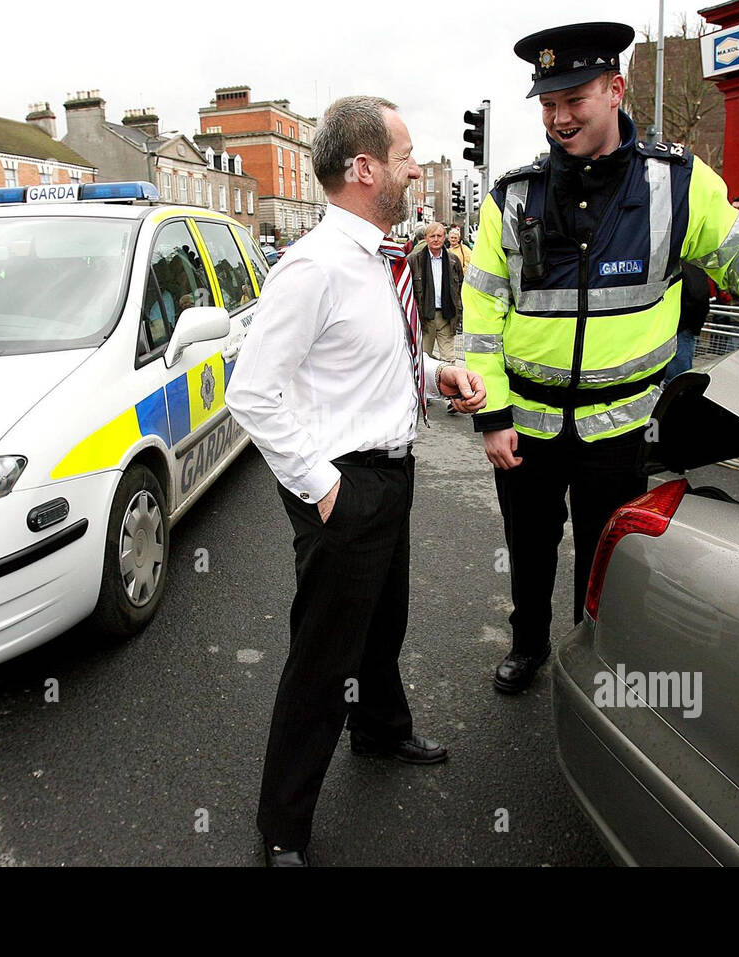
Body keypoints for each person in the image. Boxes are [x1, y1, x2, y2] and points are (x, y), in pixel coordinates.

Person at [461, 22, 739, 694]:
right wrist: (492, 413)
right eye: (546, 102)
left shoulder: (675, 182)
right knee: (528, 548)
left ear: (616, 88)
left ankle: (591, 655)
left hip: (620, 426)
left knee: (608, 557)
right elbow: (482, 313)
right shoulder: (513, 195)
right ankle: (528, 642)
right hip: (527, 423)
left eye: (574, 98)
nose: (558, 118)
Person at [225, 95, 486, 866]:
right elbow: (252, 391)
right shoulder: (313, 267)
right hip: (343, 484)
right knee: (321, 660)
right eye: (405, 154)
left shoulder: (378, 257)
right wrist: (323, 487)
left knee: (384, 621)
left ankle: (379, 730)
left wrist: (440, 375)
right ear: (365, 167)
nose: (414, 166)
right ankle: (282, 831)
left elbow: (375, 367)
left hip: (391, 470)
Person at [407, 221, 462, 368]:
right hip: (424, 317)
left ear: (444, 237)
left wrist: (459, 314)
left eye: (439, 235)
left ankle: (449, 389)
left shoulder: (453, 260)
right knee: (424, 359)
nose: (436, 239)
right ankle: (425, 390)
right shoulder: (414, 260)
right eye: (432, 236)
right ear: (426, 238)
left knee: (449, 359)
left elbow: (460, 289)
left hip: (447, 315)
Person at [662, 262, 711, 383]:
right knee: (678, 373)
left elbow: (699, 296)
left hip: (678, 325)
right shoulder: (695, 269)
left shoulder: (683, 268)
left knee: (677, 374)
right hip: (682, 325)